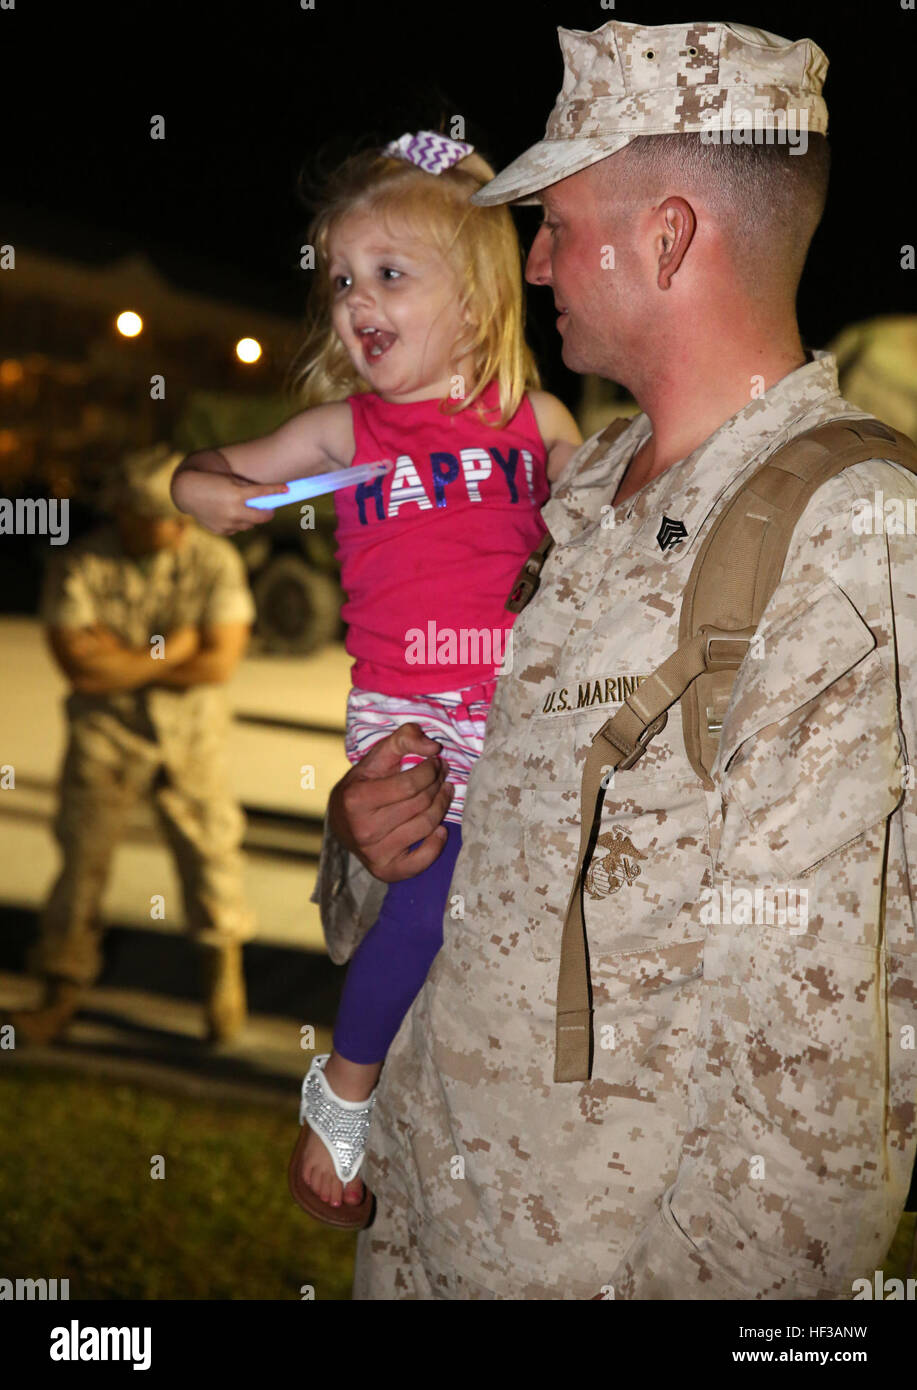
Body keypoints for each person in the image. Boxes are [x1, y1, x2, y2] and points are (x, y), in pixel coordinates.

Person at [315, 18, 917, 1298]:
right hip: (421, 1229)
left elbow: (809, 1120)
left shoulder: (848, 531)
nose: (530, 264)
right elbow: (470, 861)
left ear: (667, 236)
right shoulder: (576, 487)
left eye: (557, 222)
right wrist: (365, 839)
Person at [169, 136, 582, 1225]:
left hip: (520, 706)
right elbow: (209, 473)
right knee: (431, 889)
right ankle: (339, 1098)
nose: (355, 299)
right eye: (342, 277)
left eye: (390, 272)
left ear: (481, 292)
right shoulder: (340, 430)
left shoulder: (539, 429)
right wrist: (199, 487)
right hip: (408, 708)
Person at [4, 444, 257, 1047]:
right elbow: (82, 670)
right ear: (126, 514)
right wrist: (174, 650)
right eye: (163, 515)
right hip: (106, 735)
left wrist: (123, 659)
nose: (179, 525)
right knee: (82, 864)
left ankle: (224, 986)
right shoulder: (80, 566)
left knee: (212, 856)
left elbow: (220, 662)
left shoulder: (214, 561)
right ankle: (60, 989)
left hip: (192, 735)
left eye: (183, 513)